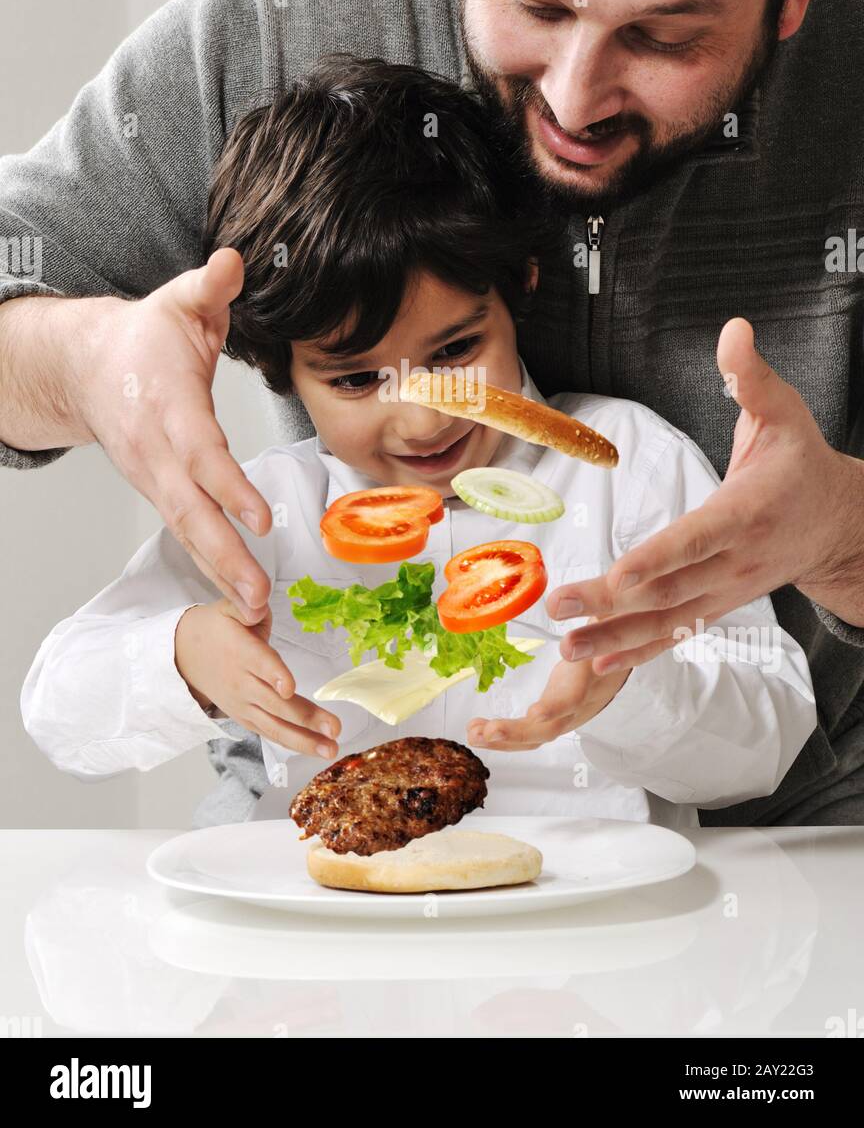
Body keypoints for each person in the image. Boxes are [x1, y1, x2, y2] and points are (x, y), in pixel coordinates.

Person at [1, 0, 861, 824]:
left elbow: (757, 724)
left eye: (660, 35)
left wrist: (843, 534)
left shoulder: (635, 467)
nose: (575, 97)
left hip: (792, 845)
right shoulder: (273, 23)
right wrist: (88, 361)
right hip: (316, 879)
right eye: (533, 3)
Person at [20, 57, 815, 828]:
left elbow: (770, 737)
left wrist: (632, 685)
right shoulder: (267, 514)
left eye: (455, 354)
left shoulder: (628, 465)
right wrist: (185, 658)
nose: (425, 421)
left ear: (520, 287)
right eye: (357, 381)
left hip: (590, 924)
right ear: (281, 370)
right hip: (342, 922)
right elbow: (58, 710)